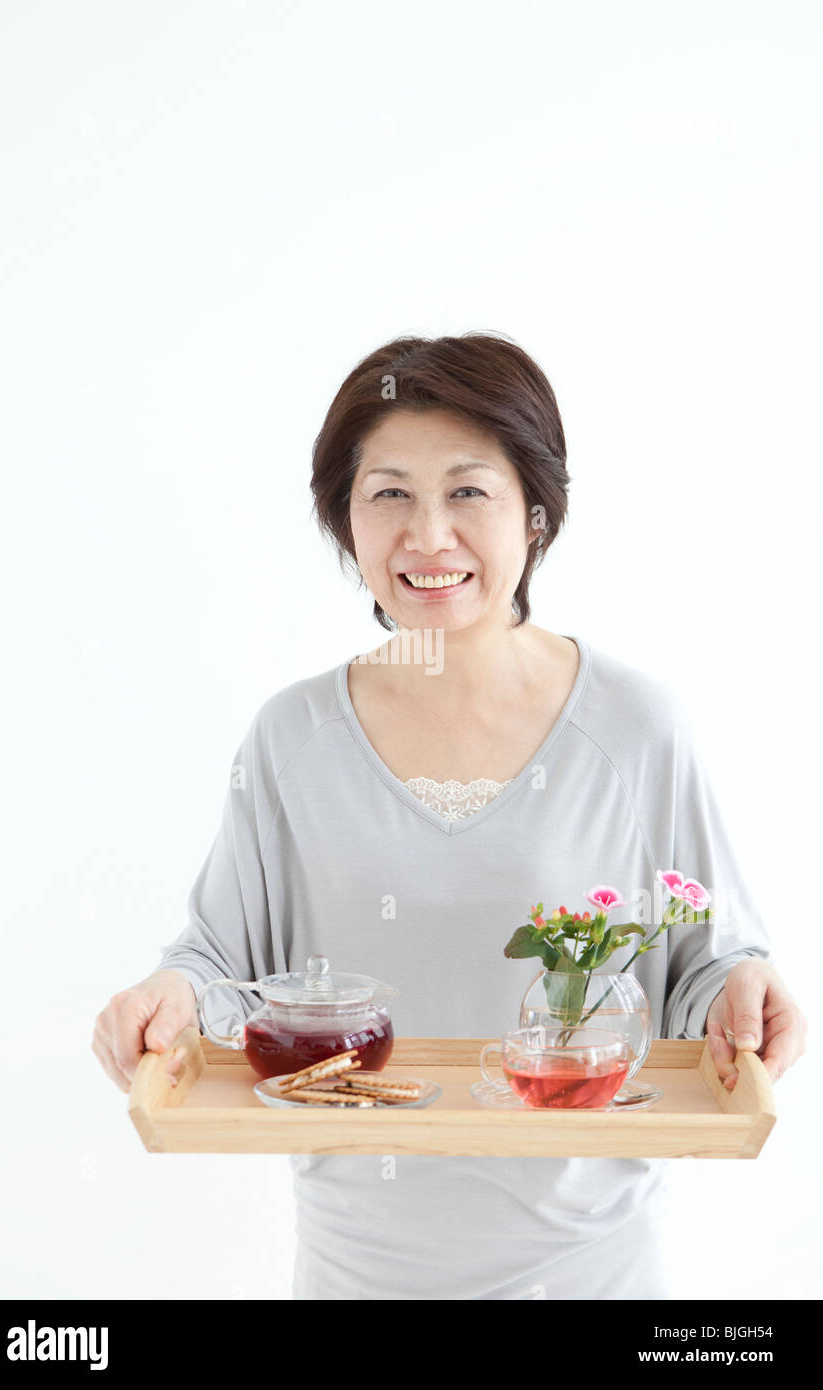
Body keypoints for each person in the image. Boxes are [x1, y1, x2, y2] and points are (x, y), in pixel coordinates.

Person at [92, 332, 807, 1300]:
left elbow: (702, 967)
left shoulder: (635, 727)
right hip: (355, 1275)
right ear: (344, 520)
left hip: (592, 1275)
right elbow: (221, 967)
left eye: (467, 491)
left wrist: (743, 985)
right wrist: (166, 999)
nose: (427, 537)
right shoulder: (290, 737)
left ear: (536, 515)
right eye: (388, 493)